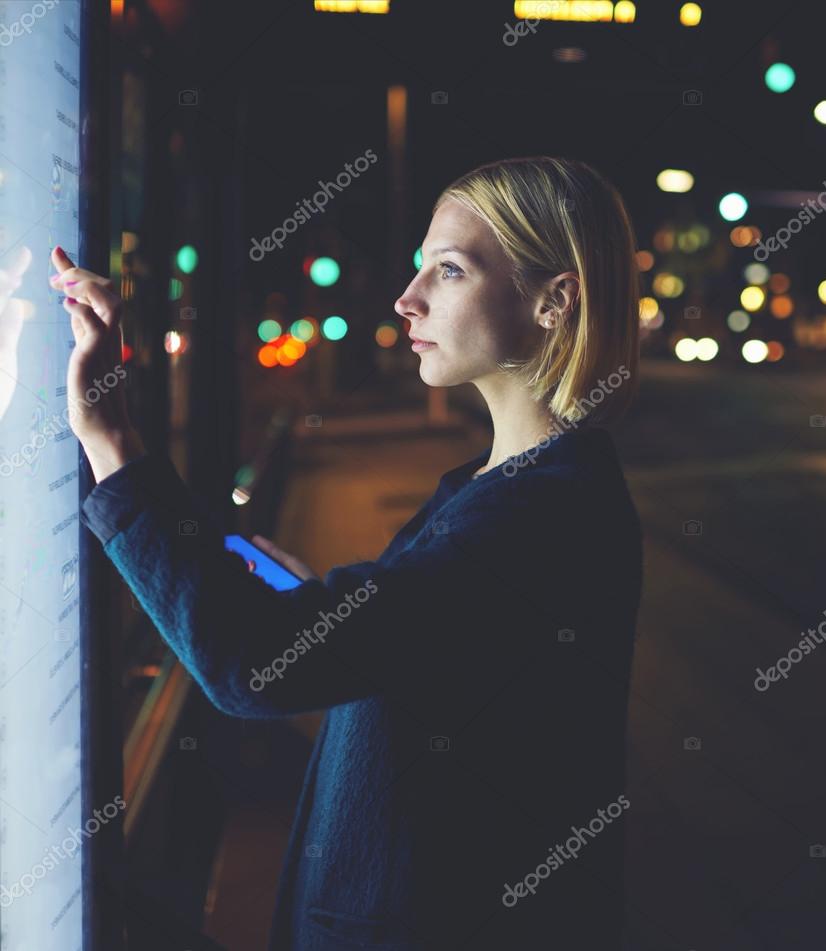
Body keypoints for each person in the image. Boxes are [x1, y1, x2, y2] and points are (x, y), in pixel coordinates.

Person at [54, 155, 644, 950]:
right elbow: (430, 652)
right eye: (419, 268)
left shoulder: (535, 516)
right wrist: (327, 615)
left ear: (554, 300)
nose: (409, 299)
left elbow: (251, 664)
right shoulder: (500, 488)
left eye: (450, 269)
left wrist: (108, 438)